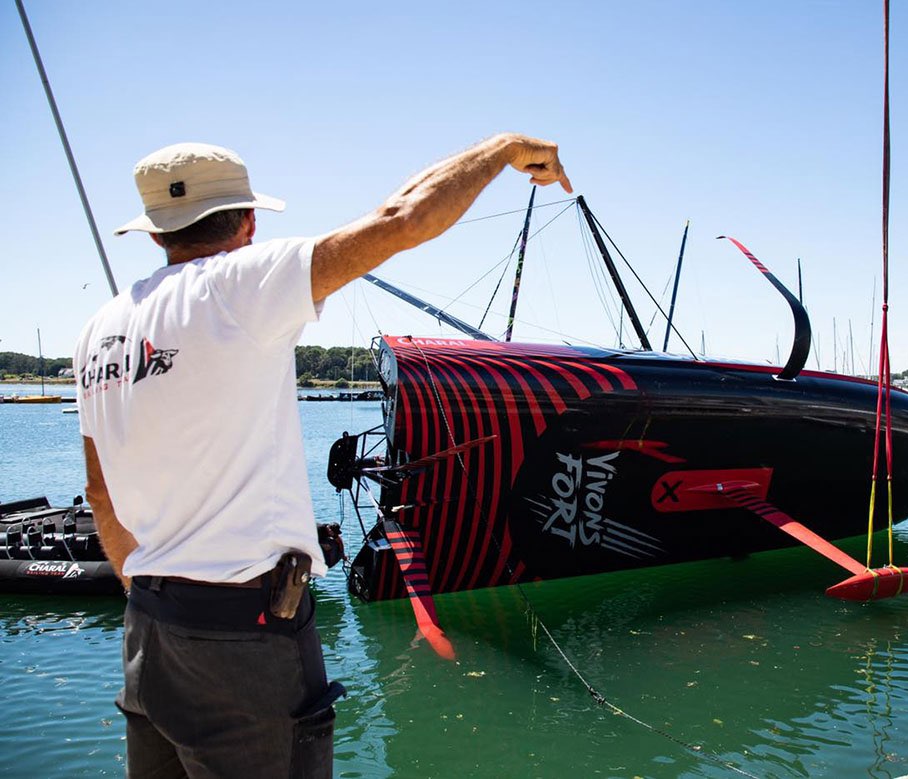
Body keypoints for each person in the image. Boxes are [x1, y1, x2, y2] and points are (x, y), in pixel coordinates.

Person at [75, 134, 571, 777]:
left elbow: (100, 492)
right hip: (244, 644)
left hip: (147, 636)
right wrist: (504, 150)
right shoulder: (240, 284)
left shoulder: (101, 327)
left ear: (155, 234)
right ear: (250, 222)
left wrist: (148, 592)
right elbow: (403, 220)